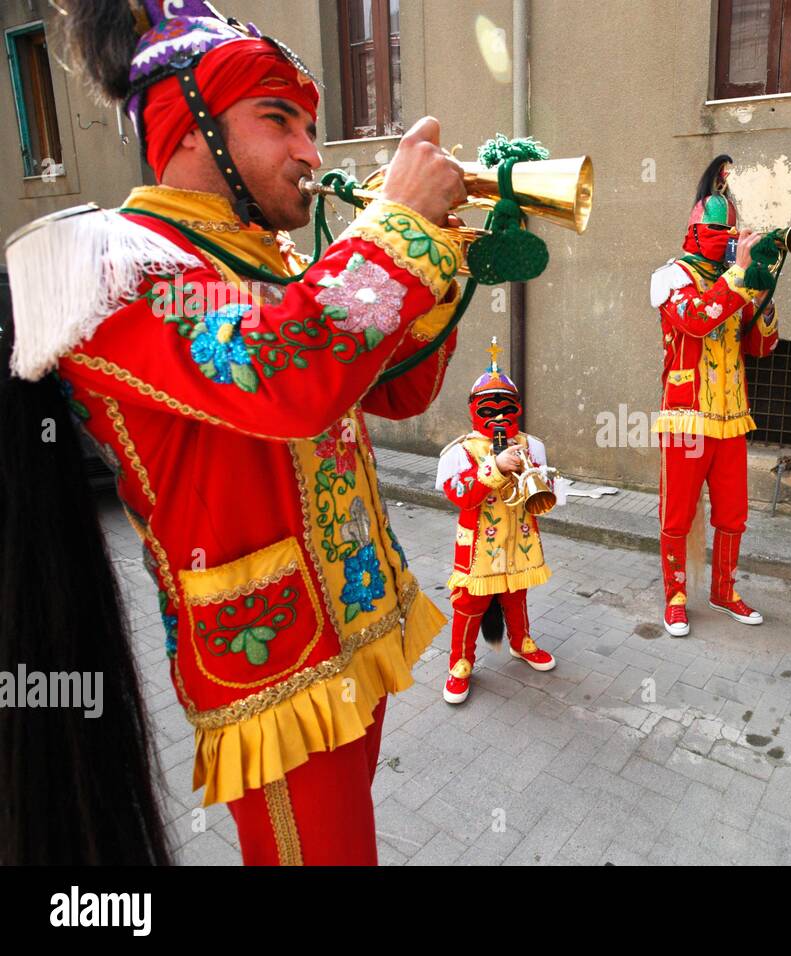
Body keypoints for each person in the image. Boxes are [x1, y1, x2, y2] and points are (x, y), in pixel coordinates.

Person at [2, 0, 469, 864]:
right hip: (274, 668)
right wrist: (397, 232)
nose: (308, 152)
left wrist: (437, 266)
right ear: (187, 129)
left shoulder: (272, 258)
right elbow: (285, 374)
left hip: (355, 622)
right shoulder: (120, 268)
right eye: (277, 119)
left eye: (310, 125)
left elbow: (395, 394)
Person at [650, 155, 780, 638]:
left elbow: (762, 346)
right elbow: (698, 319)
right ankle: (676, 596)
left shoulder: (737, 277)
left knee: (733, 515)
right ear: (694, 231)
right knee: (677, 514)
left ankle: (724, 592)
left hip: (732, 418)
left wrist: (765, 294)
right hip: (686, 417)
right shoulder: (671, 277)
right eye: (719, 234)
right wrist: (739, 277)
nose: (728, 242)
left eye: (732, 234)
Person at [435, 338, 557, 704]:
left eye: (508, 407)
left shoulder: (531, 444)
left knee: (515, 592)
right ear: (474, 409)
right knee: (470, 601)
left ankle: (521, 642)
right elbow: (460, 495)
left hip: (518, 536)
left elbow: (545, 489)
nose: (501, 415)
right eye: (490, 408)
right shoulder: (460, 450)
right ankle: (460, 662)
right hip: (478, 543)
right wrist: (494, 467)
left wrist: (540, 477)